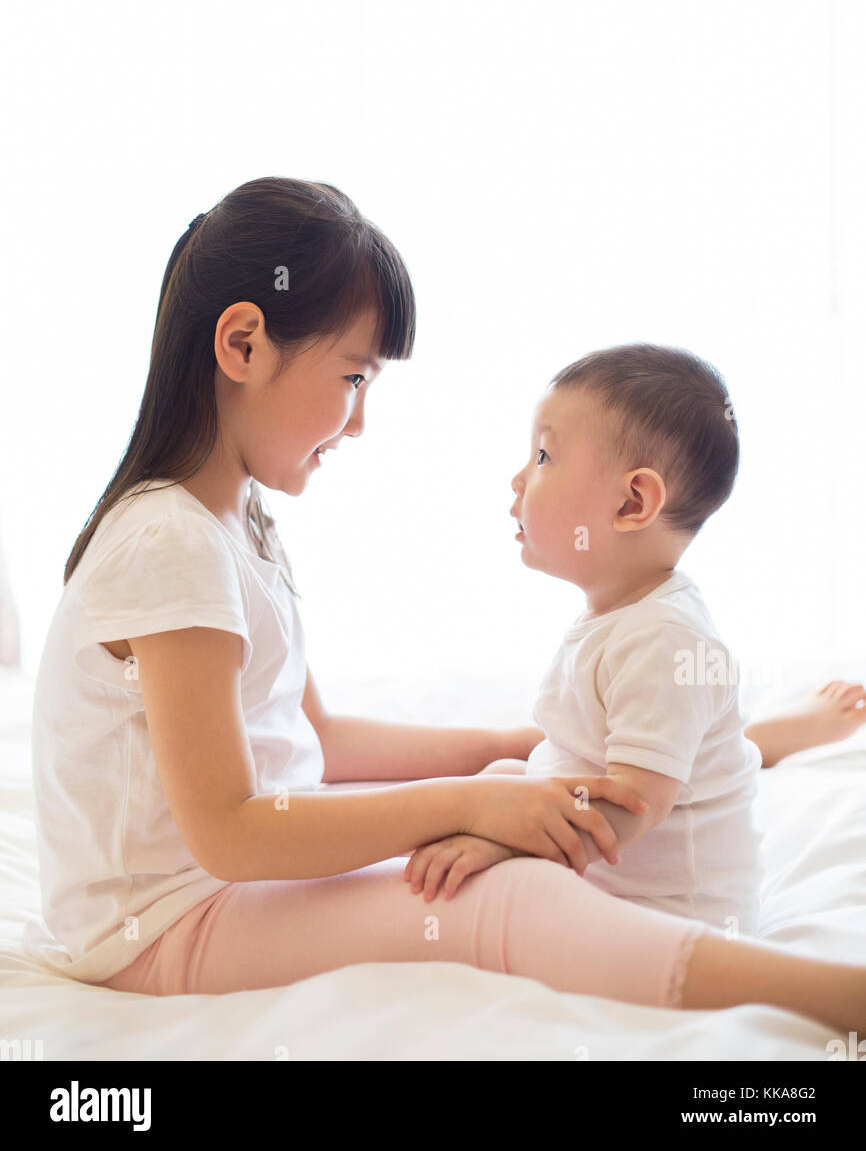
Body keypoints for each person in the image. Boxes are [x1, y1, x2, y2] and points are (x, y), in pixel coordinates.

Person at [23, 177, 866, 1032]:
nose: (357, 423)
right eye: (353, 377)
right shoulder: (169, 542)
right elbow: (228, 833)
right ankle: (829, 995)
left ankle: (740, 749)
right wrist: (467, 804)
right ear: (242, 344)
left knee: (521, 781)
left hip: (231, 881)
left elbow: (321, 739)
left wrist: (504, 754)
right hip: (166, 925)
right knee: (500, 892)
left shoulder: (234, 522)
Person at [403, 345, 866, 937]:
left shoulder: (664, 640)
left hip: (671, 917)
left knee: (485, 874)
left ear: (632, 502)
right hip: (604, 870)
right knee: (498, 774)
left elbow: (631, 805)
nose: (518, 477)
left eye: (543, 455)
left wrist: (508, 844)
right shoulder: (624, 616)